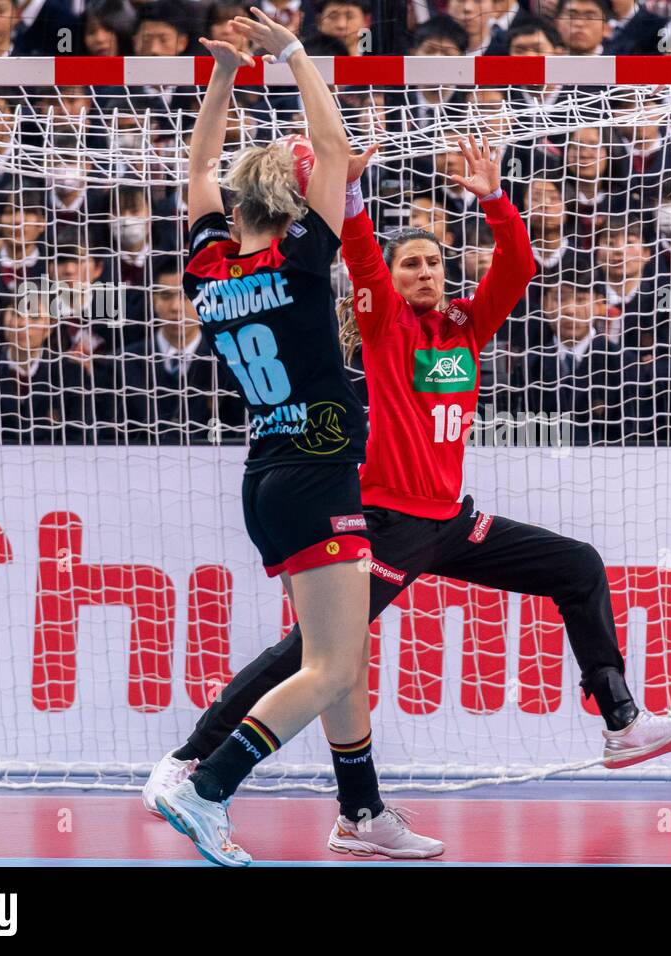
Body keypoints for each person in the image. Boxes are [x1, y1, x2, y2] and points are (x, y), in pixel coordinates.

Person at [147, 134, 671, 855]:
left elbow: (521, 266)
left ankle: (621, 722)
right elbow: (361, 254)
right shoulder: (382, 321)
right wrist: (350, 194)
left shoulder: (470, 327)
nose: (424, 273)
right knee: (318, 660)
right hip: (382, 522)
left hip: (452, 522)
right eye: (411, 264)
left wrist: (497, 202)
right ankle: (195, 760)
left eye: (435, 263)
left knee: (578, 566)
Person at [151, 8, 406, 868]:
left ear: (236, 207)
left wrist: (225, 76)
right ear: (291, 204)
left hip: (268, 473)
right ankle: (206, 784)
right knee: (332, 666)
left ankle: (361, 815)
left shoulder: (209, 269)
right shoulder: (297, 266)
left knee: (341, 654)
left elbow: (195, 168)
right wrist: (292, 54)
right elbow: (333, 153)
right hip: (314, 475)